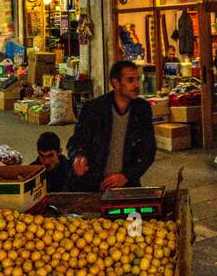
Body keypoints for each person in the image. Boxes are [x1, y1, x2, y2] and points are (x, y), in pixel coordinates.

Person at [67, 60, 156, 192]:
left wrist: (127, 176)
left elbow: (148, 150)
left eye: (138, 79)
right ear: (115, 83)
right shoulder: (94, 109)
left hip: (125, 184)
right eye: (130, 80)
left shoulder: (142, 109)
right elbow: (77, 141)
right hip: (92, 183)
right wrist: (79, 156)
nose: (137, 85)